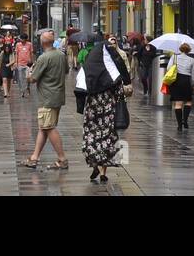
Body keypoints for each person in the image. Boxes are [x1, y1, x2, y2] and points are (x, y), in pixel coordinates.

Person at [77, 36, 132, 182]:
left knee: (92, 137)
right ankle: (103, 173)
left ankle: (94, 163)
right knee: (107, 139)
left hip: (92, 110)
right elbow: (120, 91)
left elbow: (81, 88)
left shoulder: (89, 67)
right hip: (108, 110)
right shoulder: (110, 71)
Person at [25, 29, 69, 170]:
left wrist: (29, 73)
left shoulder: (44, 58)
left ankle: (62, 159)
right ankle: (34, 157)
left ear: (42, 43)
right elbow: (67, 70)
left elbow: (33, 79)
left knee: (49, 128)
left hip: (47, 98)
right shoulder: (61, 55)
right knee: (43, 128)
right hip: (58, 96)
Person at [170, 43, 194, 133]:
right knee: (188, 102)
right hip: (186, 81)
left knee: (178, 104)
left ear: (180, 49)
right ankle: (184, 120)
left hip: (177, 80)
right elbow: (193, 75)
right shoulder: (192, 60)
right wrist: (193, 85)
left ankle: (179, 125)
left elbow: (168, 68)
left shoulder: (174, 57)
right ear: (188, 50)